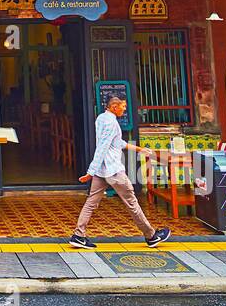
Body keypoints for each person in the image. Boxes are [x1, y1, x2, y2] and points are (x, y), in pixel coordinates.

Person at [68, 96, 170, 249]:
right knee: (132, 203)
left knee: (91, 202)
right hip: (113, 171)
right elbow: (102, 147)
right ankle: (151, 236)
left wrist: (139, 149)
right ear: (114, 106)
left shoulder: (101, 119)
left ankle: (78, 235)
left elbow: (116, 143)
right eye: (123, 106)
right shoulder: (111, 122)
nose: (125, 109)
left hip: (102, 171)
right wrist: (90, 171)